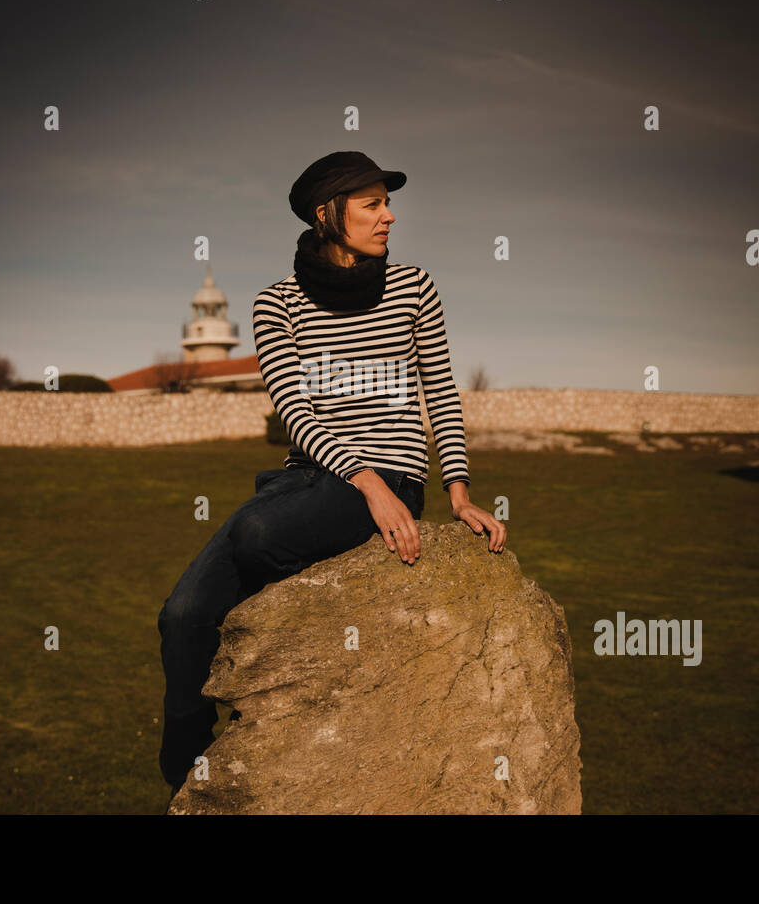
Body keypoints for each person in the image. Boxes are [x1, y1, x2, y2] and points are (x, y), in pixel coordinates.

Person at [156, 150, 506, 806]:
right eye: (372, 203)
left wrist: (456, 490)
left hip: (395, 475)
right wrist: (359, 480)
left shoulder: (415, 286)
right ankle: (192, 774)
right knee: (182, 614)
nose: (389, 215)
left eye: (387, 202)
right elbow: (294, 408)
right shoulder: (275, 304)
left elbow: (442, 392)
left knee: (259, 534)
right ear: (327, 214)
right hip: (311, 479)